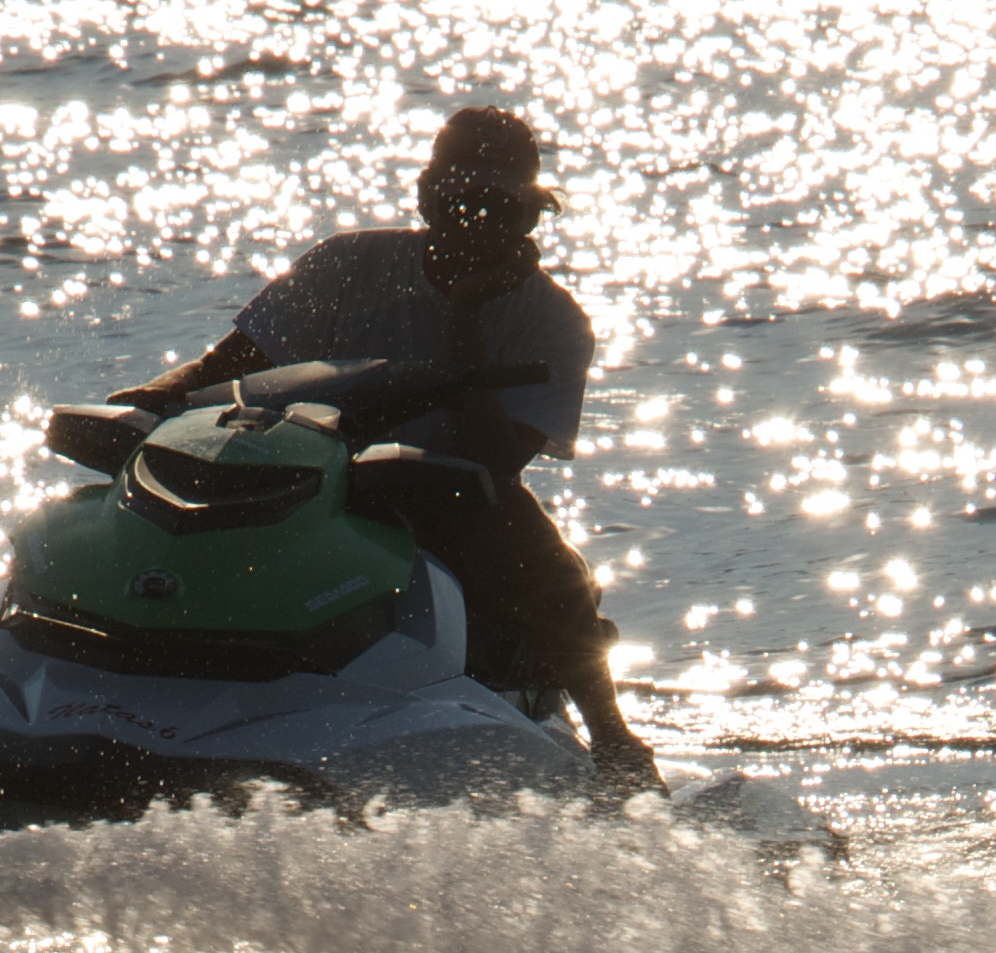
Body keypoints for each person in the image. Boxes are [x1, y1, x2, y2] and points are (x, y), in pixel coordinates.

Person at [112, 106, 657, 788]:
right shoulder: (349, 263)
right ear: (427, 190)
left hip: (446, 501)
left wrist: (464, 321)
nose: (462, 214)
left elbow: (497, 462)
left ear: (525, 215)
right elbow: (224, 366)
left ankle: (616, 747)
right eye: (447, 191)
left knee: (549, 570)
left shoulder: (554, 322)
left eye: (484, 199)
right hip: (294, 480)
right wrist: (146, 404)